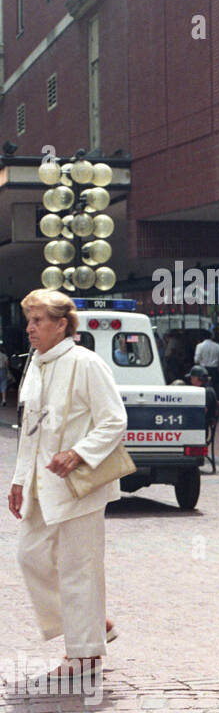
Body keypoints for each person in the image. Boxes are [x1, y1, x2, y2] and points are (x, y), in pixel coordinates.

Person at [8, 289, 128, 683]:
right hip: (43, 485)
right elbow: (30, 431)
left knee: (80, 568)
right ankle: (94, 623)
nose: (30, 328)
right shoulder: (37, 365)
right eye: (29, 320)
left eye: (38, 320)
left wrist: (77, 453)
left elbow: (114, 420)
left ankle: (84, 655)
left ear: (62, 324)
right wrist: (18, 480)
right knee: (30, 556)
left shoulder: (86, 363)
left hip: (80, 484)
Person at [186, 365, 219, 431]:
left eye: (191, 378)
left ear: (197, 378)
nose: (190, 380)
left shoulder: (207, 391)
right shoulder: (204, 390)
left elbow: (202, 412)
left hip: (201, 427)